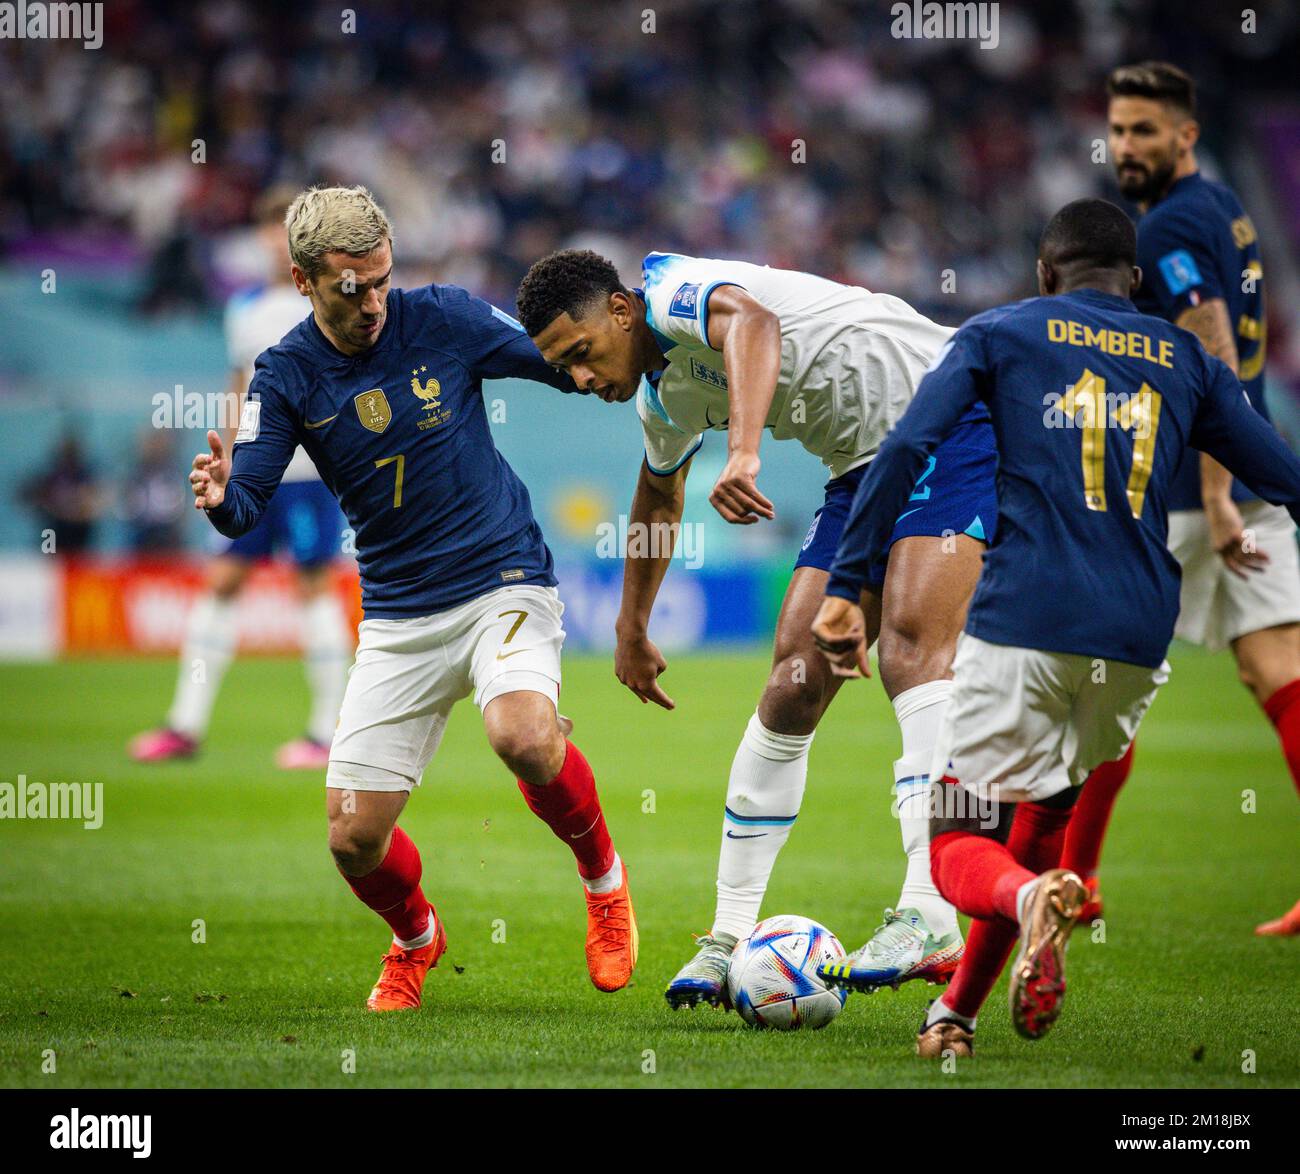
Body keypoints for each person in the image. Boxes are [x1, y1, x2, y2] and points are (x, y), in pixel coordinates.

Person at [813, 198, 1300, 1057]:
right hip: (1138, 641)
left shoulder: (1000, 332)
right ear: (1139, 282)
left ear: (1046, 273)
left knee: (956, 835)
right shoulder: (1185, 353)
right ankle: (955, 1017)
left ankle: (1030, 903)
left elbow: (902, 452)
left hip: (1023, 624)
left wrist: (851, 583)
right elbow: (1283, 474)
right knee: (1042, 821)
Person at [188, 185, 636, 1010]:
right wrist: (219, 497)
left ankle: (605, 884)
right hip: (398, 614)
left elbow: (560, 360)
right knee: (354, 838)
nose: (371, 304)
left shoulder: (445, 317)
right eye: (348, 288)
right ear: (302, 281)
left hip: (502, 576)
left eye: (381, 280)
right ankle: (416, 938)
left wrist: (616, 357)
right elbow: (247, 502)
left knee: (524, 738)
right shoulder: (284, 375)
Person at [516, 248, 1000, 1006]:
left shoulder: (673, 289)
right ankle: (729, 936)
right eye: (564, 370)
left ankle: (931, 913)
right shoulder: (661, 400)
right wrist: (632, 625)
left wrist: (743, 452)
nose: (580, 379)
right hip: (865, 466)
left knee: (910, 650)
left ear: (620, 310)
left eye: (581, 354)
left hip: (956, 414)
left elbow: (754, 321)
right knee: (792, 682)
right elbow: (658, 496)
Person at [1065, 61, 1300, 936]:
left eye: (1144, 132)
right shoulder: (1228, 206)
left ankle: (1073, 879)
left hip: (1195, 492)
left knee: (1106, 685)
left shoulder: (1166, 226)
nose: (1125, 147)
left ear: (1185, 136)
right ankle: (1075, 880)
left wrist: (1213, 487)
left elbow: (1206, 346)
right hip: (1251, 467)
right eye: (1118, 130)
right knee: (1275, 671)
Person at [131, 187, 353, 768]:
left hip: (308, 476)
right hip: (253, 476)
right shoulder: (245, 308)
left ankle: (326, 732)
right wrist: (229, 460)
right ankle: (185, 725)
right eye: (267, 232)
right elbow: (240, 390)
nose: (274, 244)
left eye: (285, 233)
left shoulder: (329, 303)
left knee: (312, 587)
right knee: (223, 580)